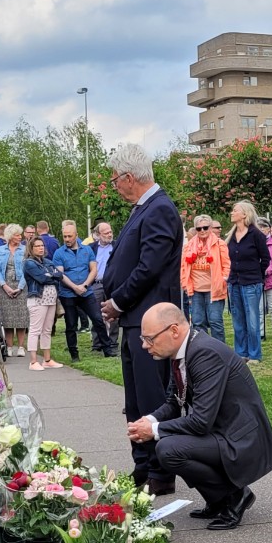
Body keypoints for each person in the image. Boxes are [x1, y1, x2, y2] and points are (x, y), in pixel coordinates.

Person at [125, 303, 272, 530]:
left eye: (149, 339)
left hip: (242, 441)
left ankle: (235, 496)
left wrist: (154, 430)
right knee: (160, 442)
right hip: (223, 432)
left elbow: (200, 421)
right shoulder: (185, 349)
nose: (144, 345)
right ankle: (217, 500)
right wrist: (148, 421)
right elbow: (174, 402)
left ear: (174, 330)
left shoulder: (205, 353)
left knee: (168, 449)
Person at [100, 143, 184, 496]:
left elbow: (149, 267)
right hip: (136, 320)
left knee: (151, 398)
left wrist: (118, 301)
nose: (114, 186)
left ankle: (160, 470)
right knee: (135, 400)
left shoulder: (159, 209)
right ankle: (143, 465)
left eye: (115, 179)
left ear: (129, 177)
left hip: (151, 321)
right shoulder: (143, 209)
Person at [53, 220, 113, 360]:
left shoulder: (87, 250)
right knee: (71, 324)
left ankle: (107, 349)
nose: (67, 239)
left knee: (98, 319)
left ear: (76, 235)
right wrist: (75, 287)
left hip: (87, 292)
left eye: (70, 236)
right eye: (65, 236)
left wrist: (85, 285)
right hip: (68, 293)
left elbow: (93, 270)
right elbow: (60, 274)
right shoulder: (59, 253)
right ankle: (74, 354)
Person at [226, 201, 271, 363]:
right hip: (234, 282)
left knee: (252, 320)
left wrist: (257, 275)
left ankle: (254, 354)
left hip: (251, 282)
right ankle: (241, 353)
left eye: (235, 210)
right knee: (238, 320)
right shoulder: (231, 235)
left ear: (244, 214)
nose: (232, 213)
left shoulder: (256, 234)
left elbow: (265, 259)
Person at [180, 214, 230, 342]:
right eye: (199, 228)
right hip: (195, 290)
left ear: (210, 228)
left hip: (214, 289)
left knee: (215, 321)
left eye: (205, 227)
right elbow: (184, 267)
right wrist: (185, 283)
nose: (202, 230)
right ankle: (202, 350)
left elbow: (226, 265)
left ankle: (219, 350)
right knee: (197, 322)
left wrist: (223, 279)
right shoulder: (189, 246)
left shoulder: (220, 244)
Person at [22, 237, 64, 372]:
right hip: (38, 299)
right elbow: (41, 278)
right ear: (31, 248)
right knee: (35, 329)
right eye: (37, 246)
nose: (41, 248)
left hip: (51, 299)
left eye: (42, 246)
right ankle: (33, 361)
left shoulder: (48, 262)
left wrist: (50, 274)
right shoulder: (29, 263)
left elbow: (60, 275)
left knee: (47, 330)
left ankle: (47, 359)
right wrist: (51, 275)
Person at [0, 223, 29, 356]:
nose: (20, 237)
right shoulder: (0, 250)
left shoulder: (25, 249)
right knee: (7, 318)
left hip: (21, 285)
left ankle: (21, 347)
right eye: (17, 235)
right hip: (4, 285)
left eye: (20, 235)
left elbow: (27, 269)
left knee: (21, 317)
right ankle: (9, 346)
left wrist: (20, 287)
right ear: (10, 236)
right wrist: (4, 285)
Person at [88, 222, 121, 355]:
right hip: (97, 284)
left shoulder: (117, 245)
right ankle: (97, 343)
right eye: (106, 233)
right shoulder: (91, 248)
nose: (109, 234)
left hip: (113, 284)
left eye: (110, 231)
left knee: (113, 312)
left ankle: (112, 343)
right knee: (96, 314)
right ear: (98, 234)